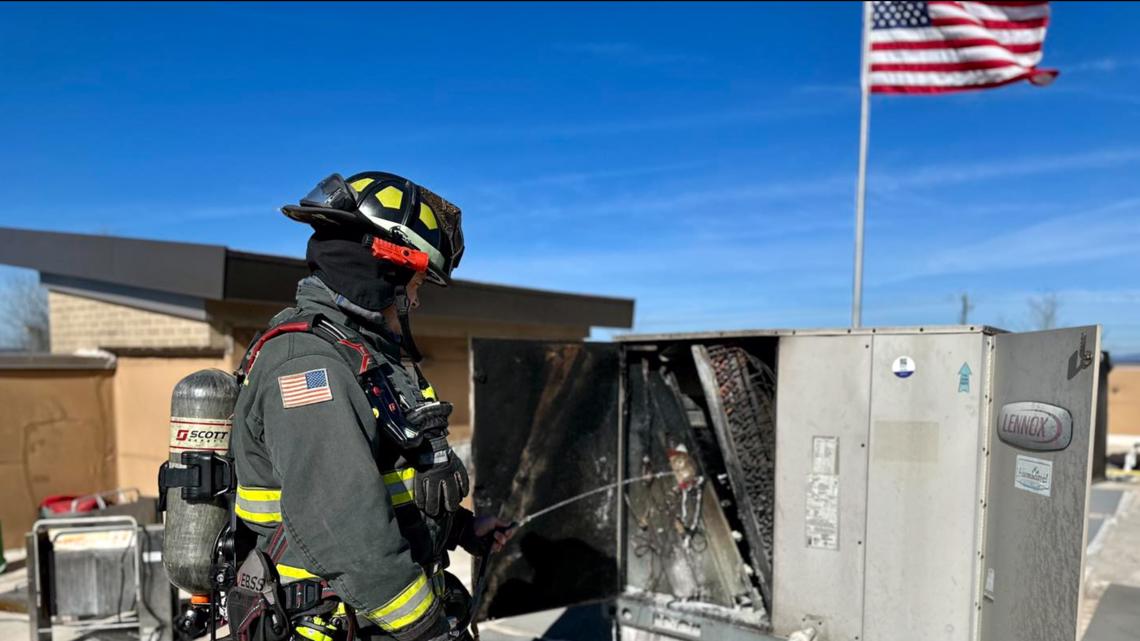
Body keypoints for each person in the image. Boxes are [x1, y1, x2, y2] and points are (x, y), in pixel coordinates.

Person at [230, 172, 513, 641]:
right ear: (387, 268)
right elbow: (343, 528)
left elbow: (383, 477)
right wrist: (427, 629)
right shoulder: (308, 365)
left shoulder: (361, 353)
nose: (417, 300)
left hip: (372, 615)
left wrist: (461, 527)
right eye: (418, 282)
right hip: (343, 620)